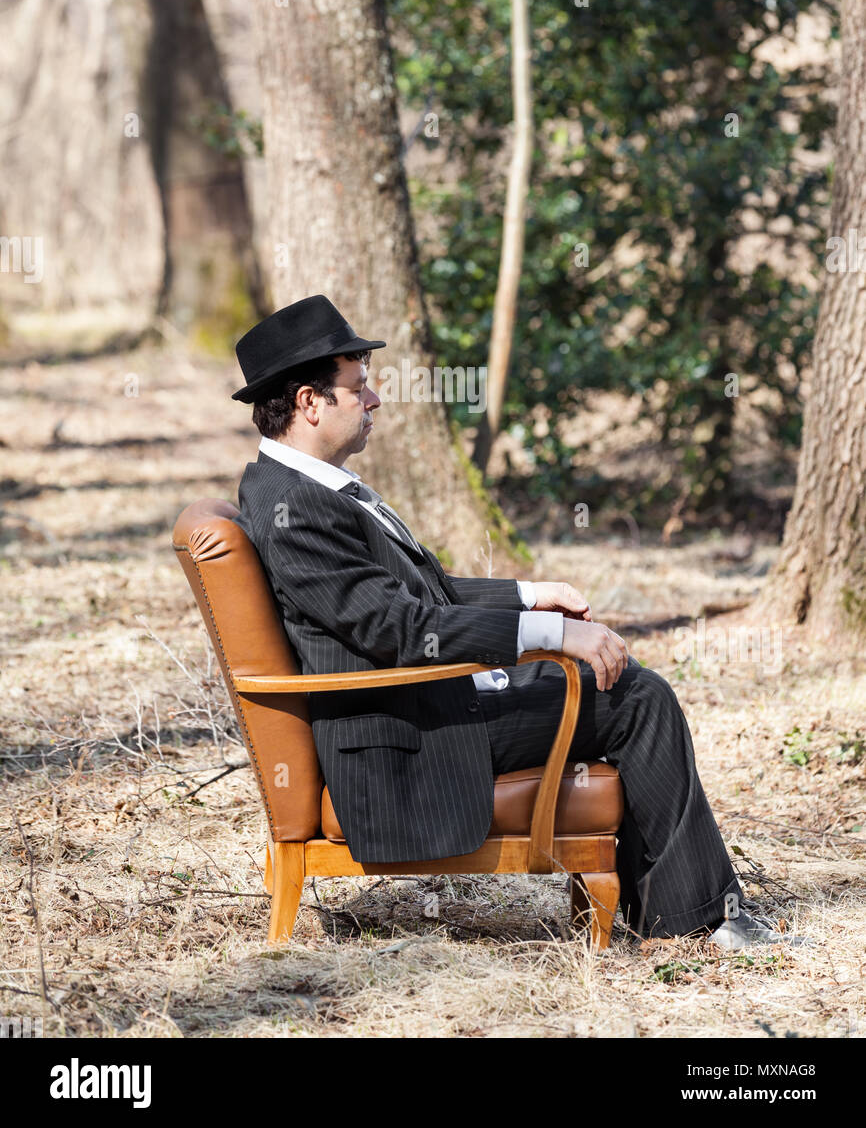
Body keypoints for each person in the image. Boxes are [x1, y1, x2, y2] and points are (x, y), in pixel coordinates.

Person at [234, 294, 801, 949]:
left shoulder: (306, 488)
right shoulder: (297, 506)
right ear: (309, 402)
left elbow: (424, 594)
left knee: (627, 688)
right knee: (637, 696)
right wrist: (555, 637)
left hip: (419, 703)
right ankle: (701, 923)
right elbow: (401, 630)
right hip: (406, 738)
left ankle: (681, 912)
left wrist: (533, 597)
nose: (376, 400)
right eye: (358, 388)